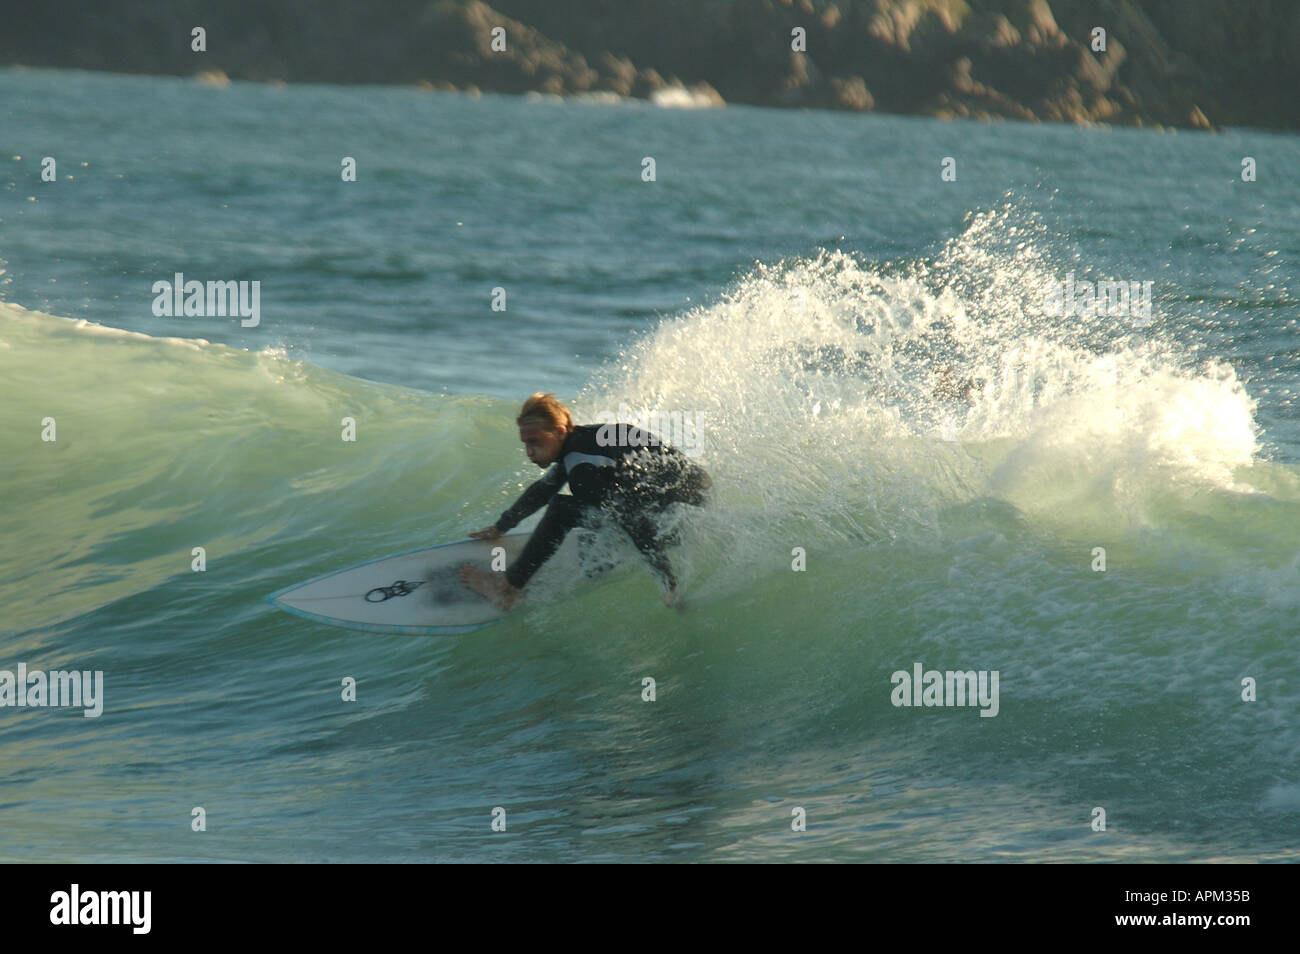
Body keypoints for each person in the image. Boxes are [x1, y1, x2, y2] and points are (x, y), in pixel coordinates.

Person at [459, 392, 711, 610]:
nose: (529, 451)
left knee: (563, 509)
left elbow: (630, 516)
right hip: (687, 508)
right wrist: (502, 526)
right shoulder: (581, 445)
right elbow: (544, 489)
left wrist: (668, 582)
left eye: (534, 441)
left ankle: (507, 589)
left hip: (676, 519)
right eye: (525, 443)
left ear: (558, 432)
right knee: (589, 512)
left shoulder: (582, 465)